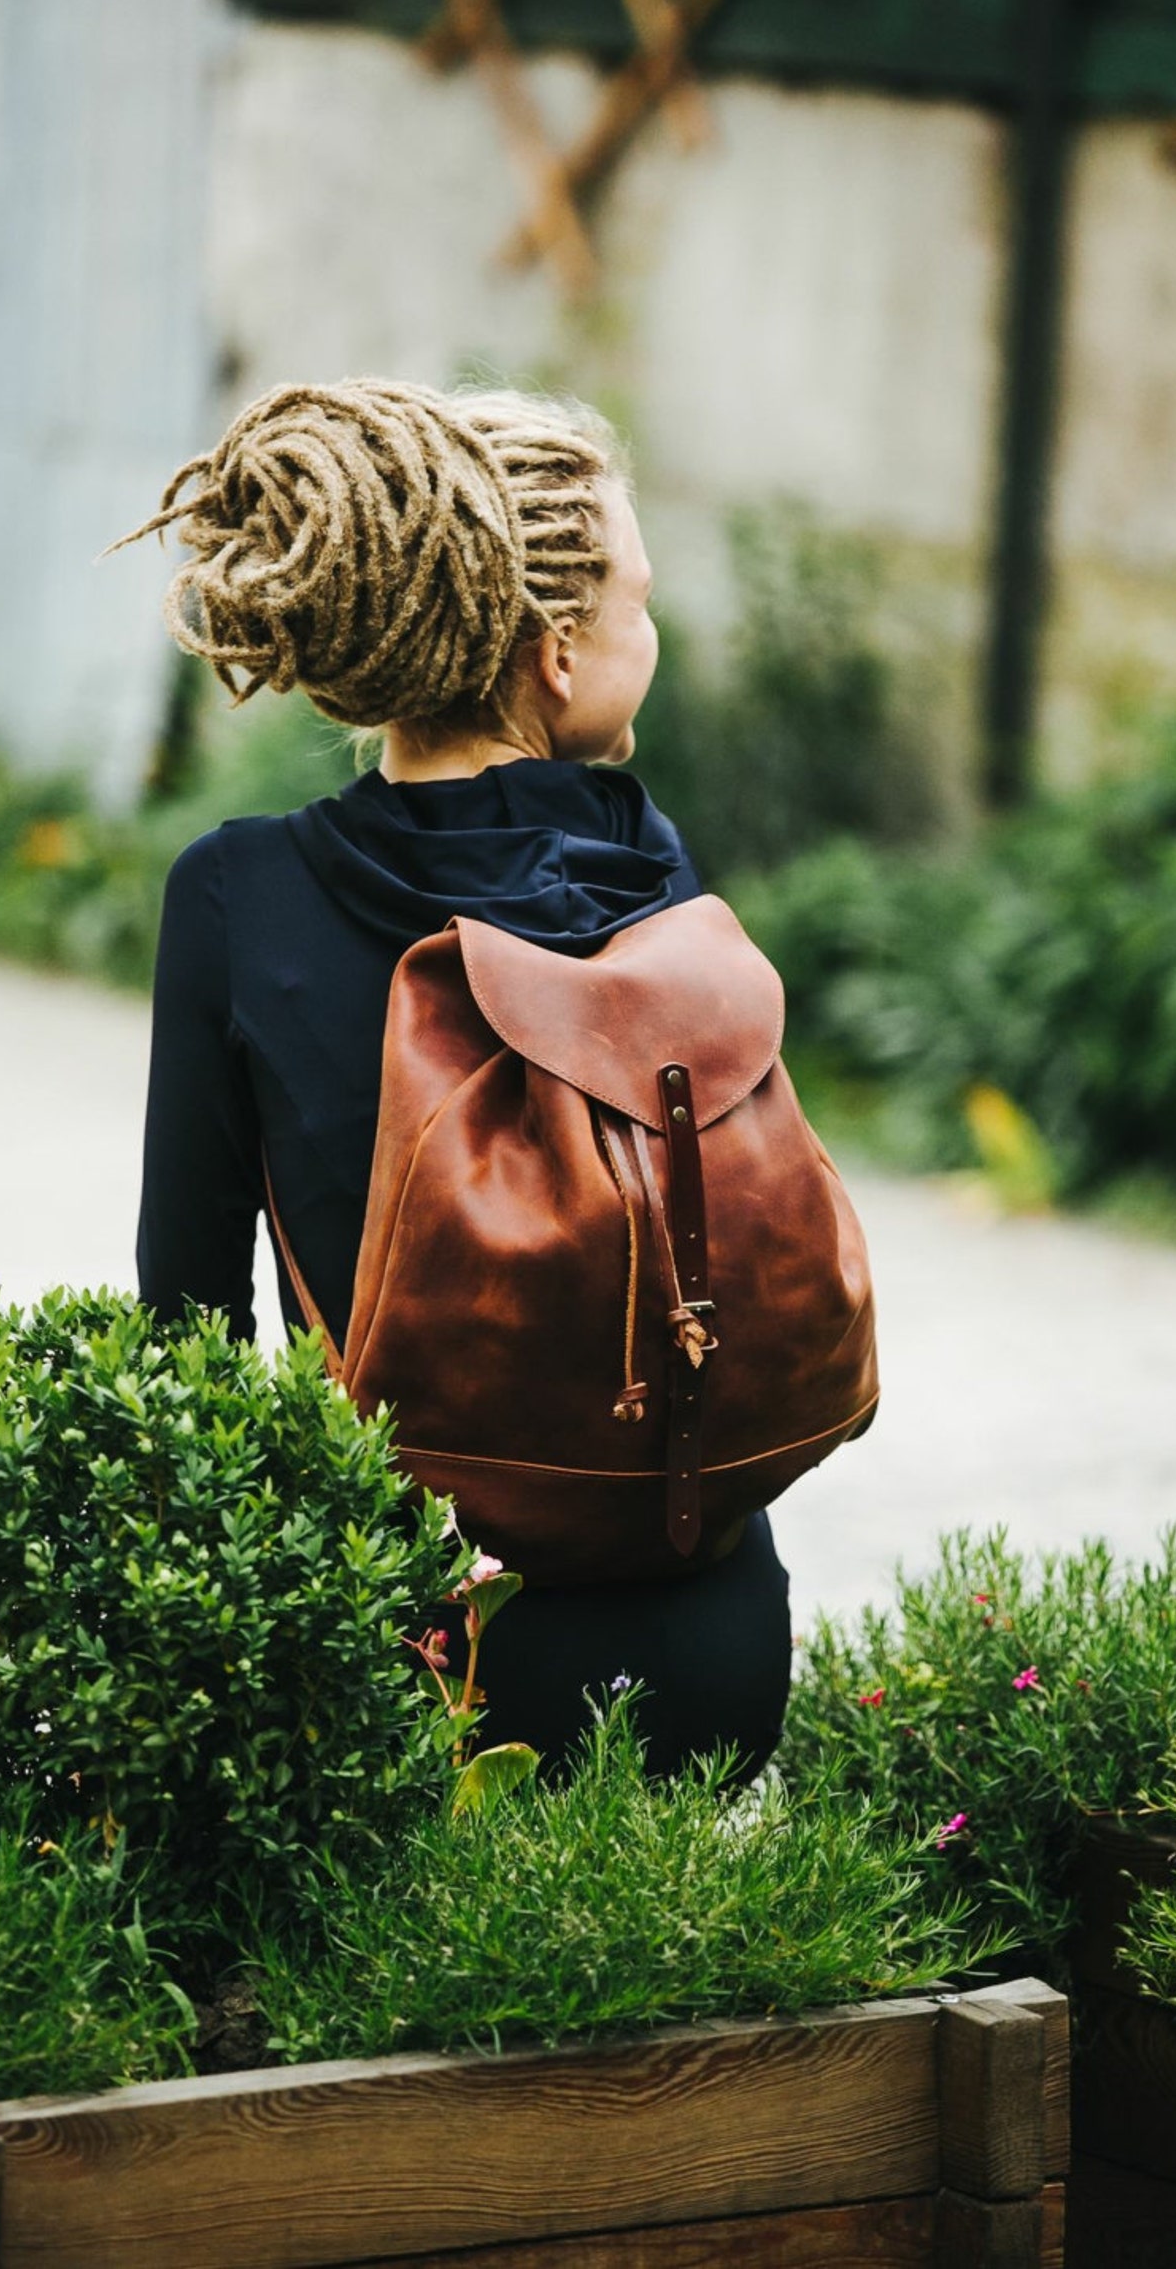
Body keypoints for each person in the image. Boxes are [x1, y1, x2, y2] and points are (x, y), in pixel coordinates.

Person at [123, 378, 793, 1778]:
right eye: (640, 598)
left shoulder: (237, 896)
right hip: (716, 1641)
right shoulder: (650, 872)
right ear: (556, 652)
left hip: (413, 1669)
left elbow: (189, 1333)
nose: (654, 631)